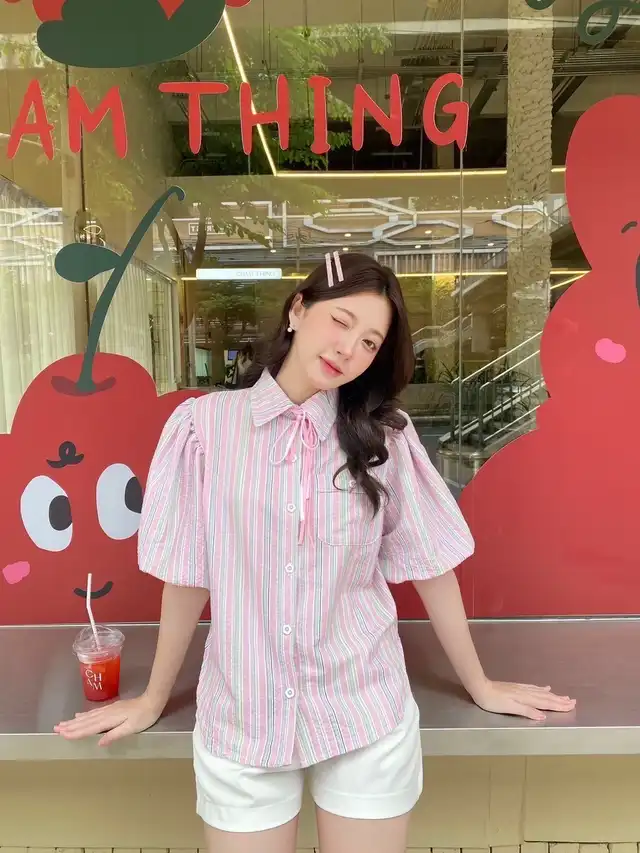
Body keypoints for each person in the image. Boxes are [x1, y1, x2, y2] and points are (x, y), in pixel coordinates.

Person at [55, 253, 575, 853]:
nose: (348, 349)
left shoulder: (384, 437)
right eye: (341, 321)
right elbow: (188, 576)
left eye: (370, 341)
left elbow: (431, 566)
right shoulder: (204, 428)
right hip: (243, 718)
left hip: (364, 711)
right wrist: (153, 698)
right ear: (299, 310)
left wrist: (480, 684)